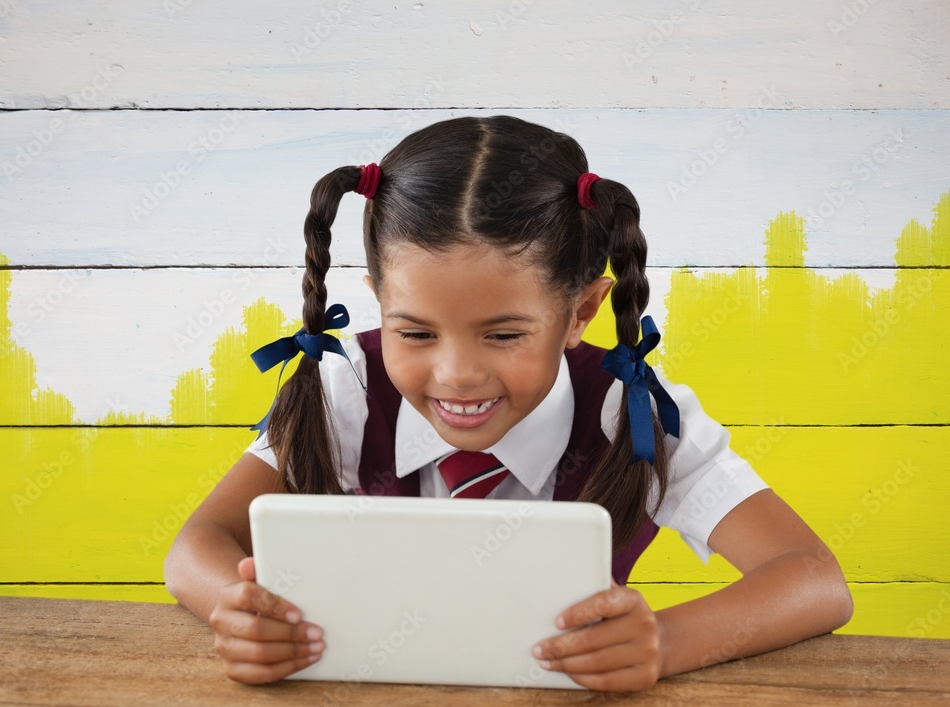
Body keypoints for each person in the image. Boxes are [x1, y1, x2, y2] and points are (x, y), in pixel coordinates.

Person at [164, 115, 853, 692]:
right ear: (378, 300)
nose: (457, 374)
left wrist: (663, 642)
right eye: (415, 332)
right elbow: (195, 547)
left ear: (581, 310)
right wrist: (240, 611)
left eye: (503, 334)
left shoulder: (634, 412)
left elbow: (815, 580)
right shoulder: (344, 386)